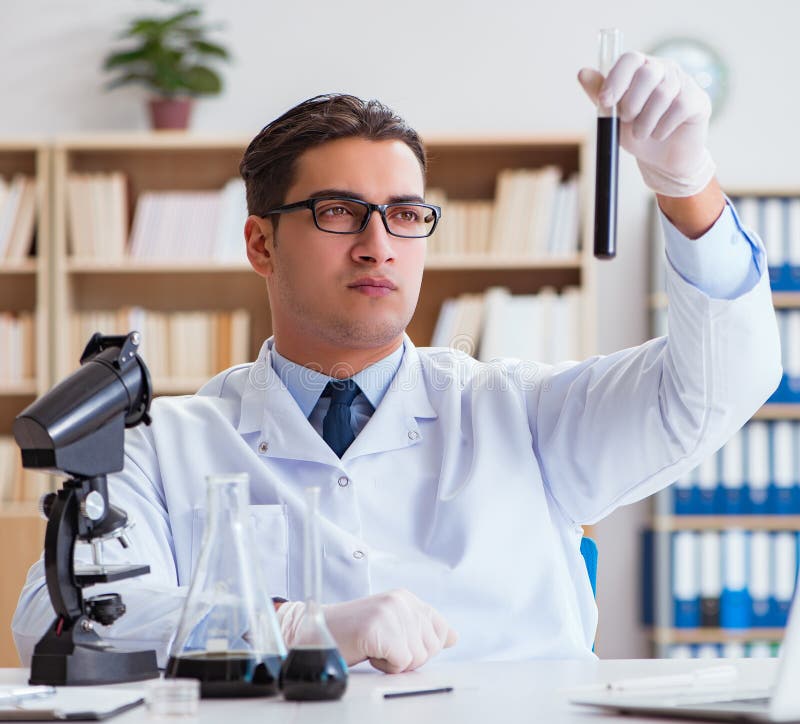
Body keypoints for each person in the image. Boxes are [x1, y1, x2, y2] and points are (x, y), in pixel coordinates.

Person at [14, 52, 781, 674]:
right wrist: (296, 626)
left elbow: (719, 386)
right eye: (339, 212)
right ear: (259, 243)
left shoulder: (522, 411)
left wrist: (690, 192)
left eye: (406, 215)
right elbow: (59, 622)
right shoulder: (163, 441)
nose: (378, 243)